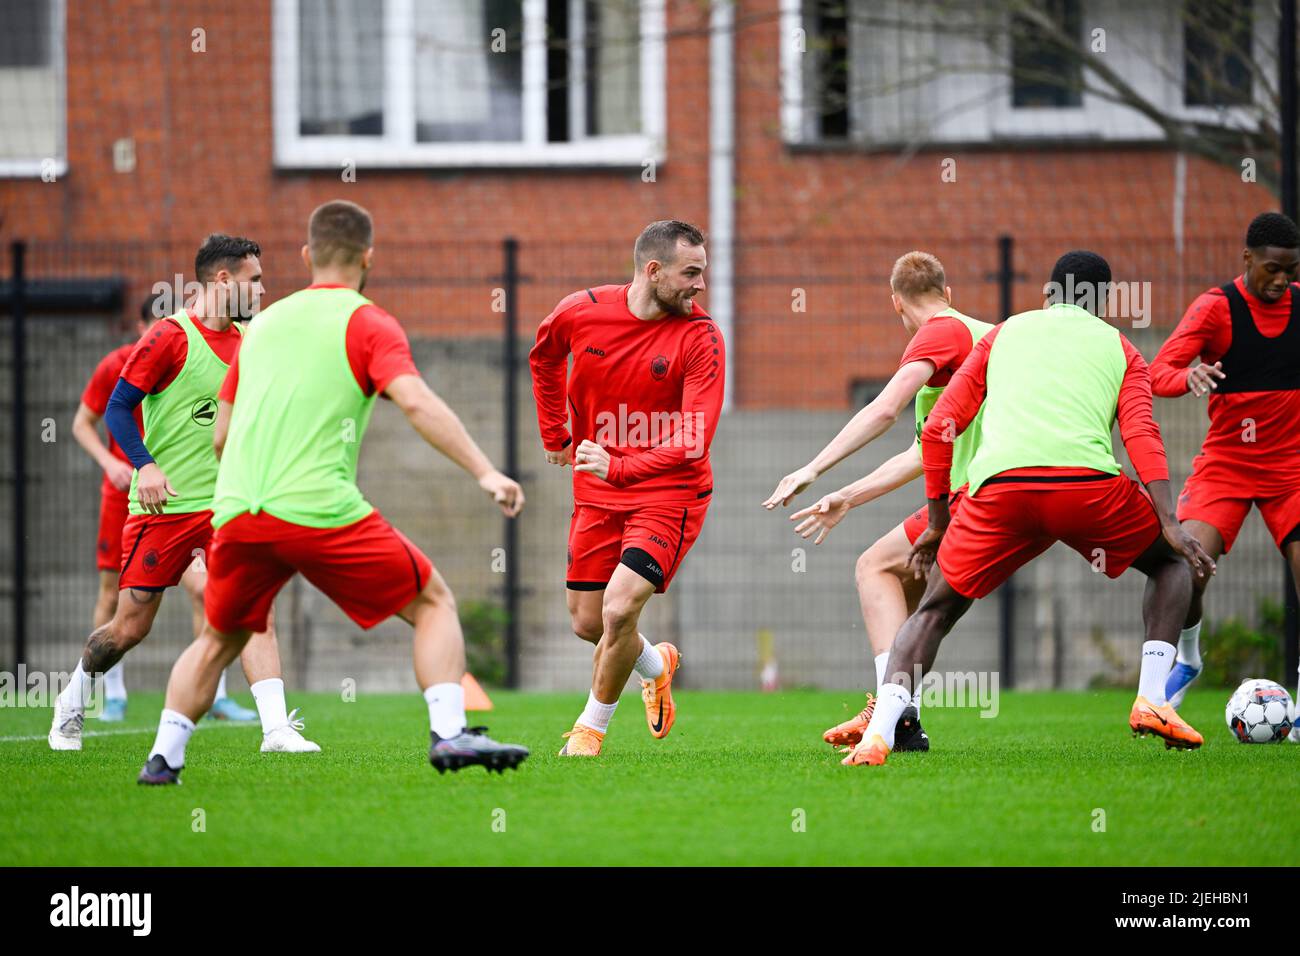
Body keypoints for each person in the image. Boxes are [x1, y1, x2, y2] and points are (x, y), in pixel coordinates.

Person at [137, 200, 528, 784]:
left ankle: (164, 758)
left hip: (240, 511)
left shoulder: (261, 327)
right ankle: (449, 734)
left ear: (305, 256)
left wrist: (248, 482)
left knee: (219, 637)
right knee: (432, 604)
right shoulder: (368, 321)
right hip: (318, 508)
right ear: (368, 257)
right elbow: (417, 401)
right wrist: (485, 472)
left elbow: (221, 435)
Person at [843, 251, 1214, 767]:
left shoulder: (1004, 334)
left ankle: (880, 735)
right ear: (1102, 303)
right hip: (1089, 490)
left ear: (1045, 295)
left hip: (999, 493)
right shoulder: (1121, 347)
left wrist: (936, 519)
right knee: (1171, 563)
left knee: (933, 611)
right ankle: (1152, 698)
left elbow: (941, 423)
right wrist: (1170, 521)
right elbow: (1141, 434)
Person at [50, 236, 313, 754]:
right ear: (222, 281)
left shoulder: (251, 340)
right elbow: (119, 409)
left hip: (227, 510)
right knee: (129, 627)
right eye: (253, 281)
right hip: (163, 510)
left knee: (255, 608)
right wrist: (144, 465)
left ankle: (276, 729)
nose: (261, 290)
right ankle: (71, 702)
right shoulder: (169, 337)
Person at [763, 251, 993, 751]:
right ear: (948, 291)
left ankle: (898, 714)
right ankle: (892, 705)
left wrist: (813, 468)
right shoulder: (983, 333)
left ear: (896, 304)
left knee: (872, 567)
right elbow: (918, 454)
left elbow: (885, 408)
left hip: (981, 495)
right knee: (905, 577)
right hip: (1010, 488)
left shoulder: (937, 333)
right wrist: (848, 495)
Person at [529, 220, 723, 756]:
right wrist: (555, 434)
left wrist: (618, 466)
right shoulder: (581, 311)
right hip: (597, 494)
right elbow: (543, 357)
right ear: (652, 270)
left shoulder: (701, 336)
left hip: (671, 494)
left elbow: (694, 439)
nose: (700, 285)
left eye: (703, 273)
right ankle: (657, 666)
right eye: (691, 273)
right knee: (589, 621)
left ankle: (589, 732)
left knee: (618, 611)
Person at [70, 290, 257, 723]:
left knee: (216, 594)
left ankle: (227, 699)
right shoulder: (124, 362)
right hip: (132, 494)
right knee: (122, 609)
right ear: (141, 329)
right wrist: (117, 463)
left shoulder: (222, 345)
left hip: (196, 499)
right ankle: (108, 693)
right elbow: (86, 422)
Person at [1148, 212, 1300, 722]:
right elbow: (1157, 372)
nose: (1281, 280)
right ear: (1248, 259)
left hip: (1291, 470)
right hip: (1227, 466)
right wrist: (1189, 373)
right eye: (1273, 269)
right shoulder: (1217, 308)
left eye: (1291, 270)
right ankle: (1187, 656)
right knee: (1185, 569)